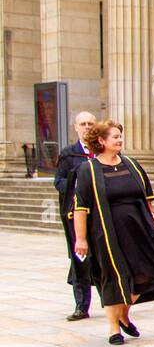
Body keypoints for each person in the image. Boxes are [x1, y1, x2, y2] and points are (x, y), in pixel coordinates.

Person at [72, 120, 154, 344]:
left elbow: (146, 200)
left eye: (119, 136)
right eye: (115, 136)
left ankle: (124, 315)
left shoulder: (132, 164)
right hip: (107, 234)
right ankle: (113, 327)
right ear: (101, 141)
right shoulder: (88, 170)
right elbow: (81, 208)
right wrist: (81, 239)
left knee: (147, 274)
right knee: (113, 277)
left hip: (138, 231)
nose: (119, 140)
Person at [55, 110, 98, 321]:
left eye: (91, 123)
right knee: (80, 257)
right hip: (76, 214)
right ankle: (82, 305)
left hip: (99, 215)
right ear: (76, 127)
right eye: (83, 124)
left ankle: (115, 303)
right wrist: (78, 188)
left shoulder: (102, 153)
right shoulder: (69, 154)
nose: (87, 127)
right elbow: (59, 182)